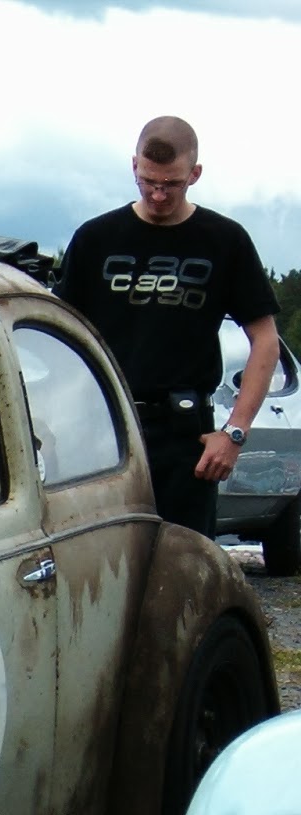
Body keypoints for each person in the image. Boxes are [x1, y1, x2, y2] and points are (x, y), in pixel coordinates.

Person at [53, 115, 280, 537]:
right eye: (148, 182)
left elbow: (265, 340)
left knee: (184, 565)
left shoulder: (224, 240)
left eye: (171, 184)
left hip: (184, 438)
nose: (158, 194)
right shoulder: (96, 239)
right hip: (100, 430)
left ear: (195, 173)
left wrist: (234, 432)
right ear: (134, 166)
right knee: (98, 558)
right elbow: (58, 335)